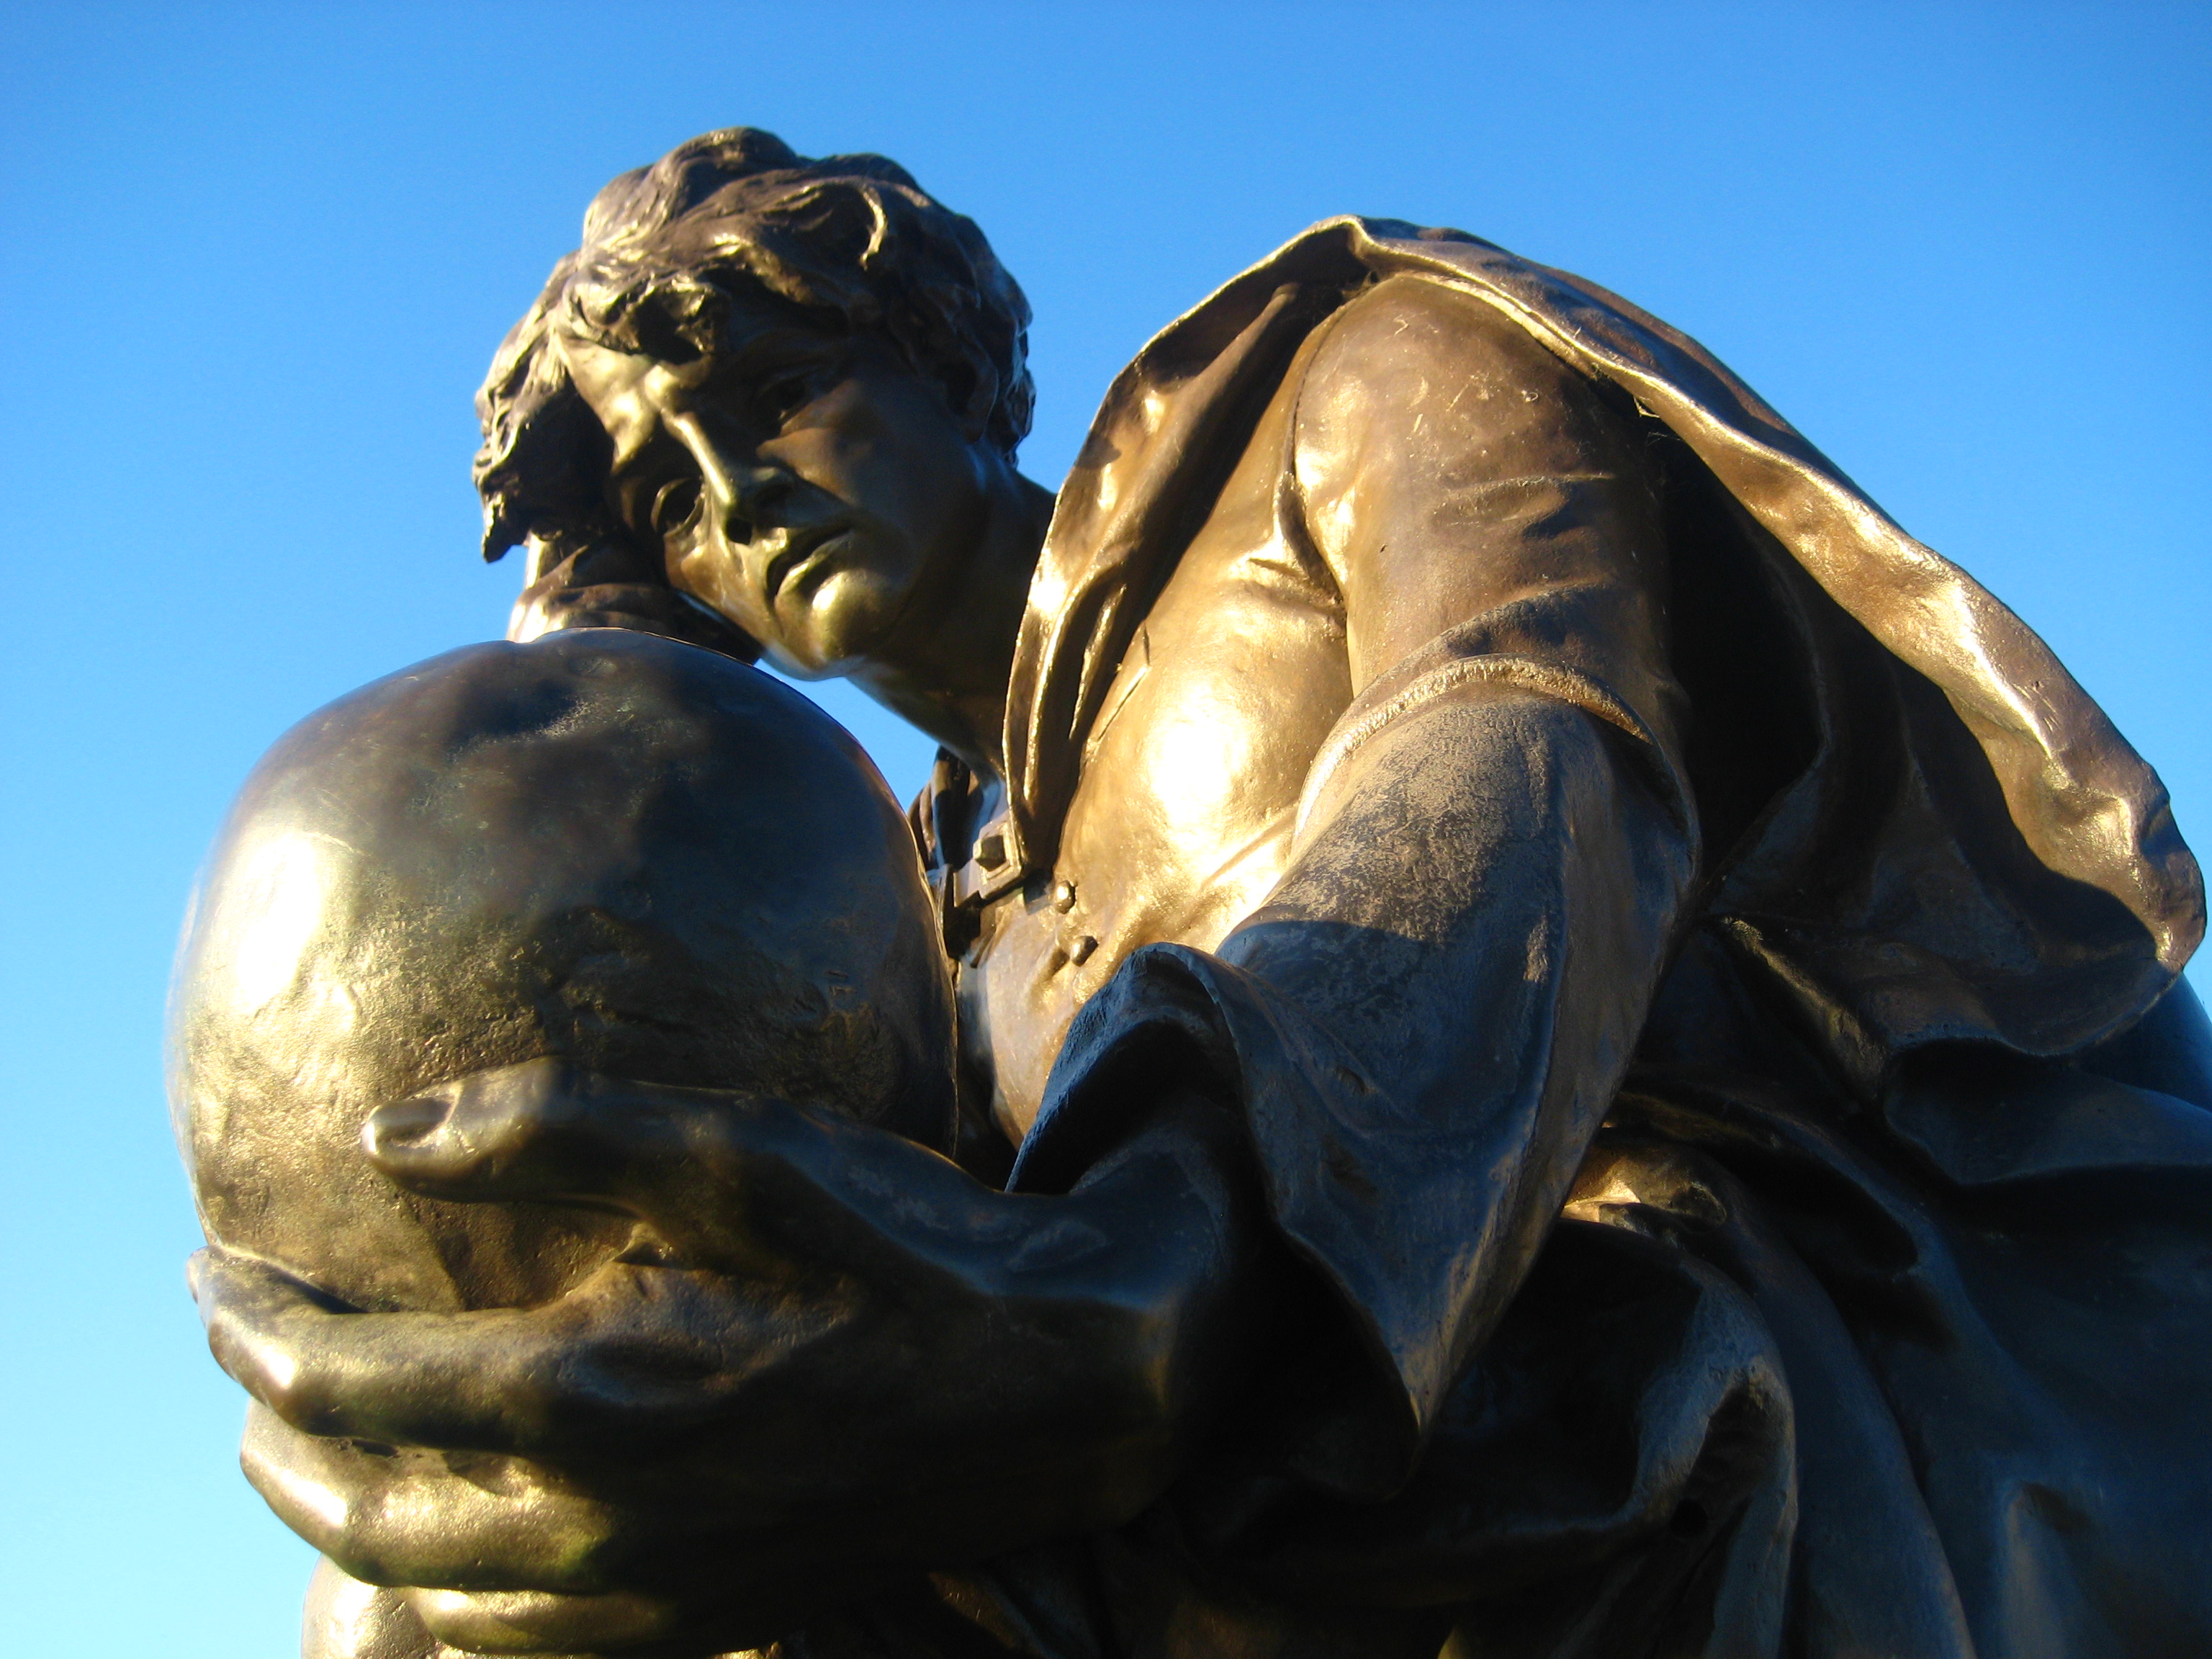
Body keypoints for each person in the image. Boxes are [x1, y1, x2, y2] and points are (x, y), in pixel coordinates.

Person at [193, 128, 2212, 1658]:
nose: (735, 500)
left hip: (1740, 1321)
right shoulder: (932, 911)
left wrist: (1200, 1236)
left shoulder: (1364, 378)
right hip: (1238, 1459)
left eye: (774, 391)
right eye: (666, 501)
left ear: (940, 357)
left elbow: (1532, 750)